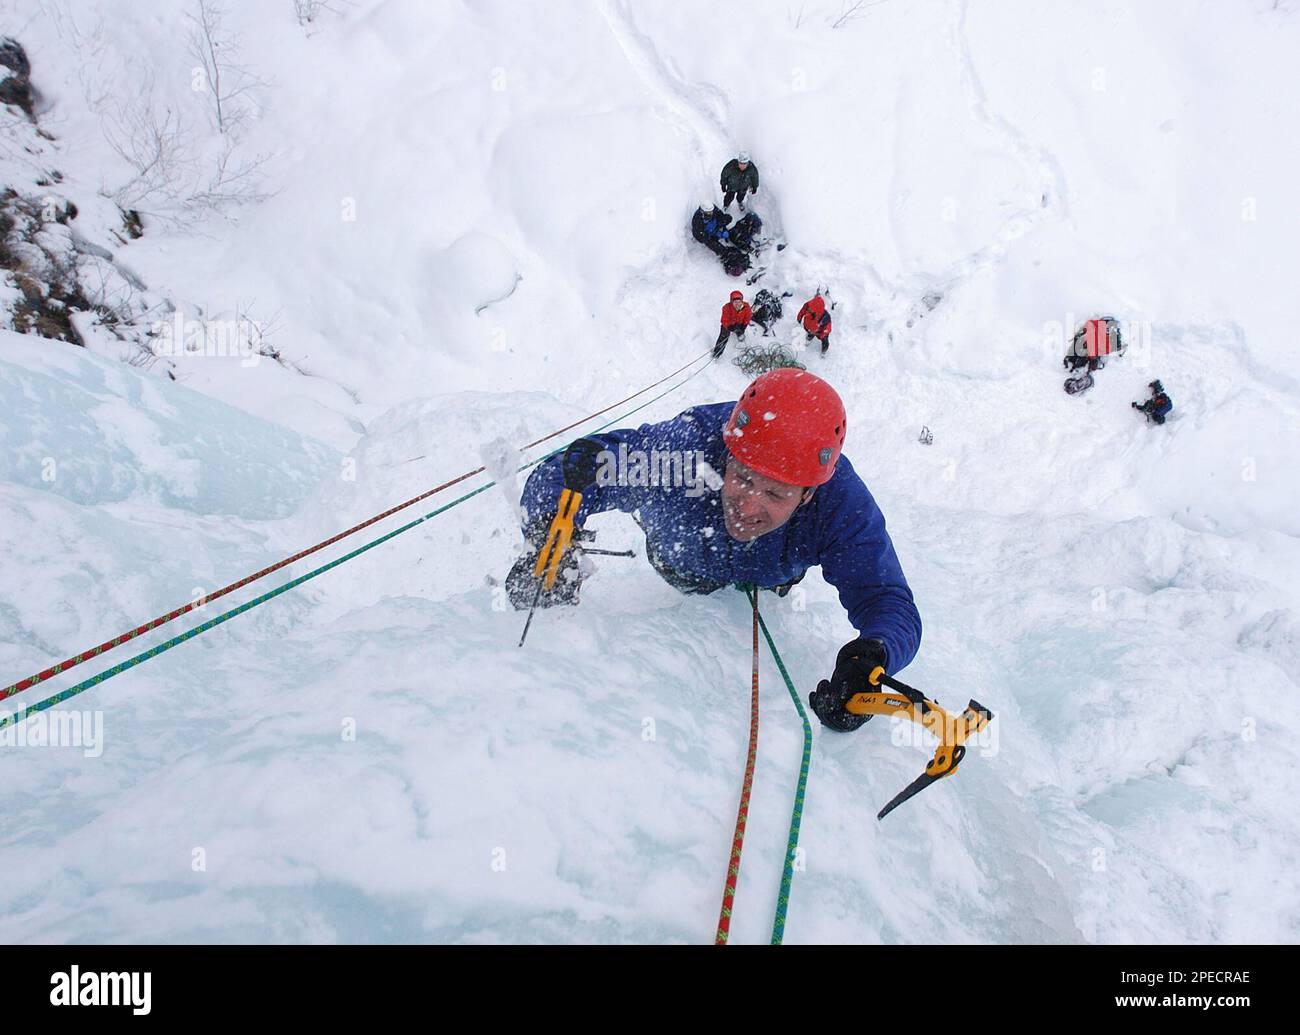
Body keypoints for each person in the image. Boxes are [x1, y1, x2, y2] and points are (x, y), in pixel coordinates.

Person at [506, 370, 923, 732]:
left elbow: (888, 600)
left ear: (809, 494)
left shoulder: (840, 504)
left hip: (769, 576)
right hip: (680, 564)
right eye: (742, 477)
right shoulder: (682, 453)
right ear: (727, 455)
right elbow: (568, 472)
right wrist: (550, 539)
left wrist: (874, 654)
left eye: (775, 493)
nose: (748, 507)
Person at [715, 289, 751, 357]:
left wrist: (744, 326)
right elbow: (724, 320)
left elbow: (748, 317)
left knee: (740, 330)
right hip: (730, 324)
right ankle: (717, 352)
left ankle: (739, 334)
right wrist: (729, 327)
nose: (737, 304)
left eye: (739, 302)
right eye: (735, 302)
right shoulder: (726, 308)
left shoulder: (746, 307)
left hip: (740, 323)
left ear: (742, 301)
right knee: (723, 336)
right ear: (731, 302)